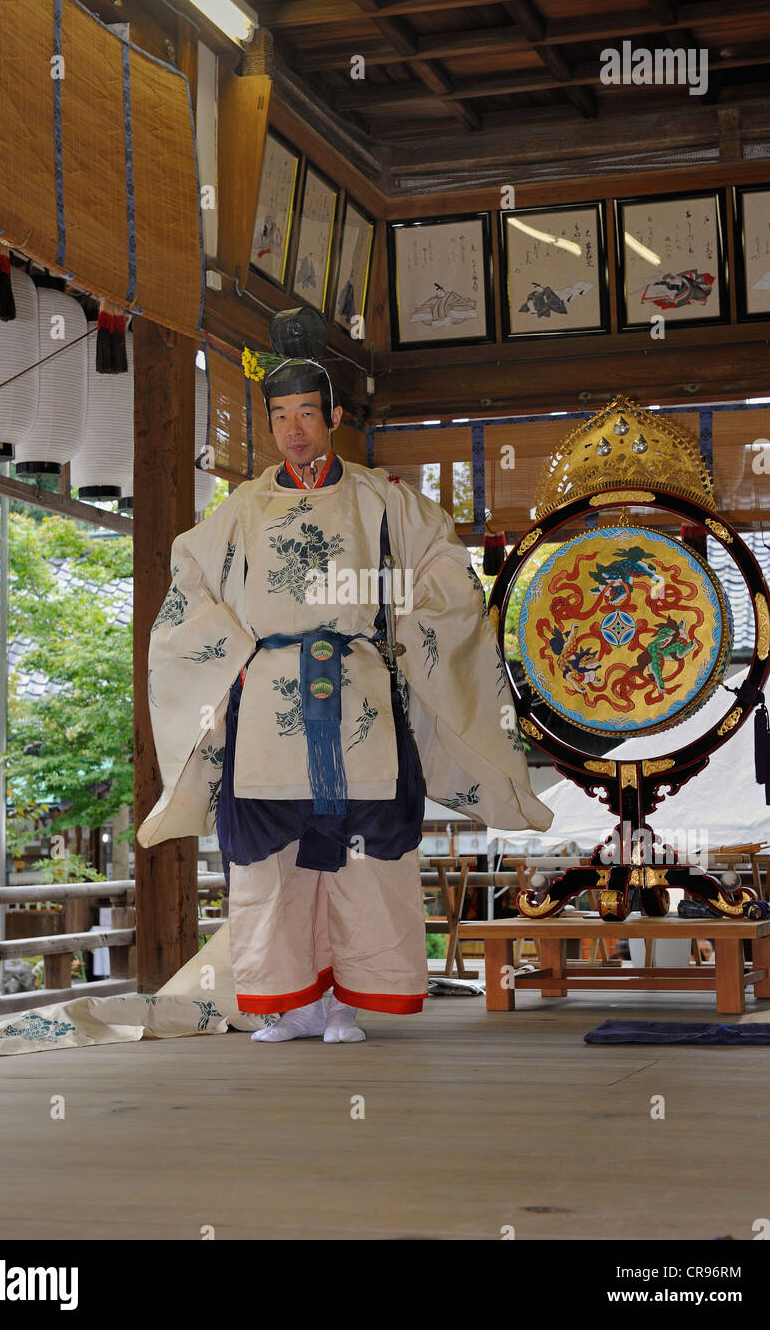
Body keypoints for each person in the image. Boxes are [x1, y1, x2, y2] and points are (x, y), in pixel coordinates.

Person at [138, 309, 553, 1042]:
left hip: (360, 682)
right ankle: (288, 1001)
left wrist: (394, 620)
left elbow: (447, 577)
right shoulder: (238, 510)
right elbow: (187, 590)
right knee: (267, 860)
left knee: (370, 856)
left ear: (333, 417)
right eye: (279, 416)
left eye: (307, 412)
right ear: (268, 425)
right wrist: (236, 647)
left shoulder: (383, 501)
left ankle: (346, 1002)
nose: (294, 429)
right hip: (268, 694)